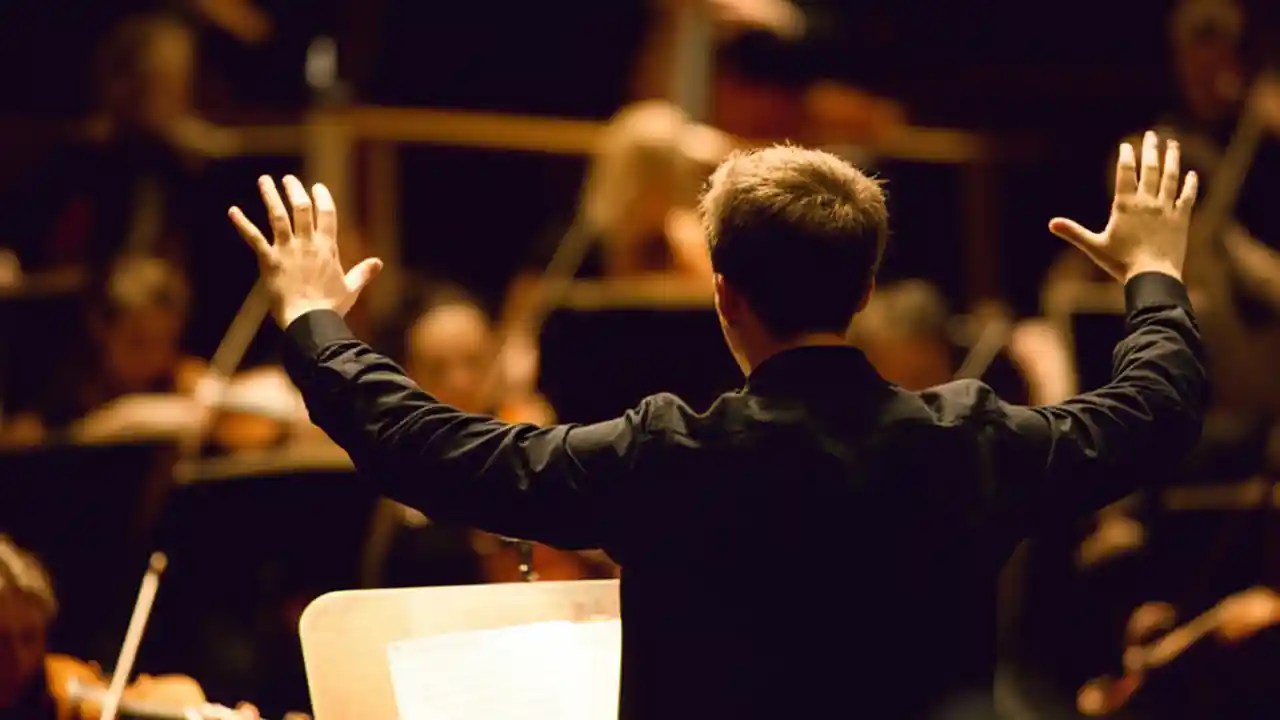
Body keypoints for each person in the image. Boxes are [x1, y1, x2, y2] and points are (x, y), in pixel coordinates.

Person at [229, 129, 1204, 717]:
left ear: (723, 297)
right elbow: (1154, 407)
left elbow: (430, 450)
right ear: (864, 288)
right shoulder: (971, 443)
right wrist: (1152, 272)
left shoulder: (666, 461)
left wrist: (314, 318)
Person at [0, 535, 295, 719]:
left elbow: (173, 697)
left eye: (30, 638)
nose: (20, 660)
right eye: (1, 642)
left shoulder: (63, 690)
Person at [1, 256, 206, 447]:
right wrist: (117, 421)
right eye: (138, 343)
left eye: (167, 343)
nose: (155, 359)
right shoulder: (60, 395)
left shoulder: (180, 380)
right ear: (101, 329)